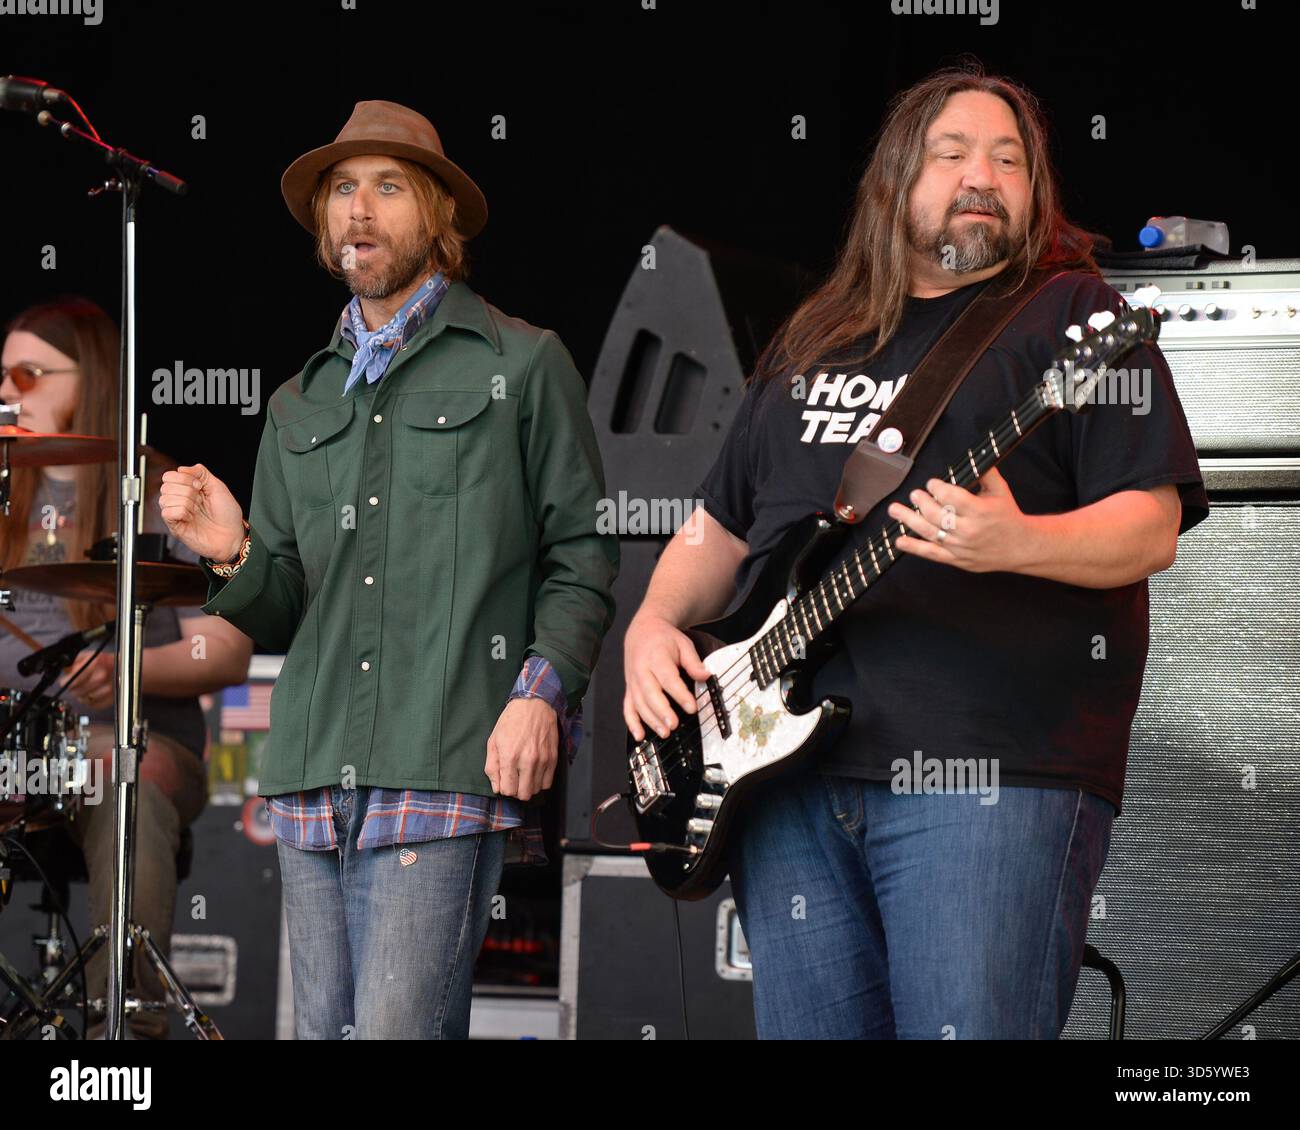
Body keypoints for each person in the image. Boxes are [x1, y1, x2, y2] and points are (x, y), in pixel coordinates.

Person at [622, 64, 1209, 1039]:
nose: (981, 174)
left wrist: (1017, 539)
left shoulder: (1074, 321)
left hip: (989, 774)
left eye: (1007, 159)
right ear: (894, 182)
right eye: (951, 153)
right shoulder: (817, 334)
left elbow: (1147, 525)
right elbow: (718, 527)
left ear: (1034, 190)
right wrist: (651, 621)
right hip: (783, 780)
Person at [159, 101, 618, 1039]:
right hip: (309, 773)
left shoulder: (524, 365)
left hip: (443, 760)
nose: (357, 209)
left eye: (387, 186)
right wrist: (230, 550)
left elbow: (582, 554)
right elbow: (283, 609)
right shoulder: (298, 400)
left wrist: (540, 692)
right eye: (340, 189)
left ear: (440, 216)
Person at [0, 296, 253, 1039]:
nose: (8, 391)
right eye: (1, 374)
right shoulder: (5, 493)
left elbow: (228, 649)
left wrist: (128, 668)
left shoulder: (155, 493)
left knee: (121, 777)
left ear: (93, 378)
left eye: (27, 373)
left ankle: (128, 1026)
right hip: (21, 744)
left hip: (137, 745)